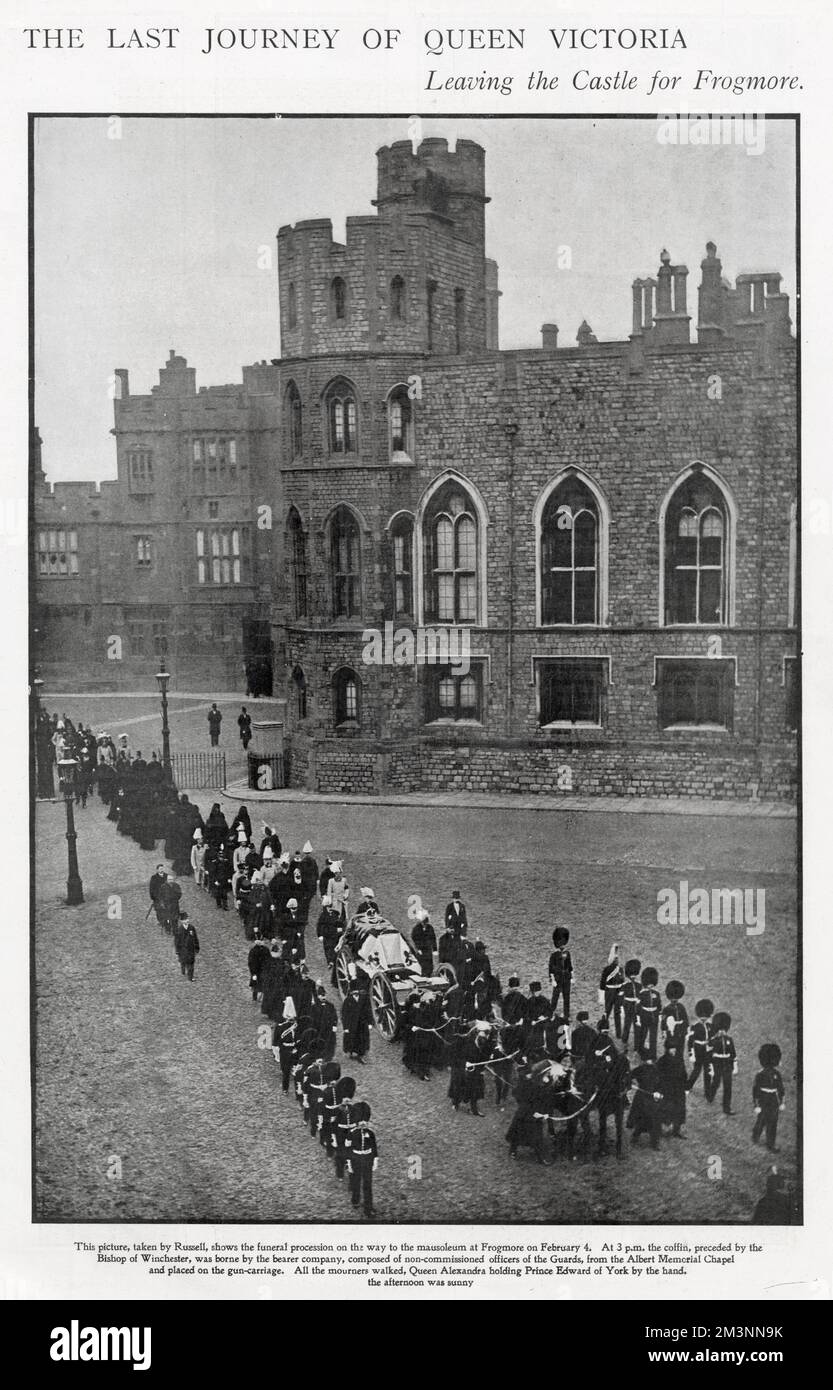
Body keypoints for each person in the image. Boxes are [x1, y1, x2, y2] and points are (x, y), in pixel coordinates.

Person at [346, 1101, 378, 1216]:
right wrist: (349, 1163)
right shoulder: (352, 1133)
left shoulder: (370, 1133)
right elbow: (348, 1150)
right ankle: (355, 1200)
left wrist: (375, 1160)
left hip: (368, 1159)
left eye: (365, 1120)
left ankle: (368, 1207)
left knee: (367, 1184)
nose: (363, 1123)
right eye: (361, 1120)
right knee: (356, 1181)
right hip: (356, 1159)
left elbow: (374, 1147)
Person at [752, 1043, 785, 1151]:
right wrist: (756, 1105)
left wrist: (782, 1102)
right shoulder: (760, 1074)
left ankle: (771, 1144)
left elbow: (781, 1089)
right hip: (764, 1099)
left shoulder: (777, 1074)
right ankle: (755, 1135)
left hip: (773, 1100)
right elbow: (756, 1091)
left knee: (773, 1122)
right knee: (761, 1119)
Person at [656, 1037, 688, 1137]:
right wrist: (660, 1089)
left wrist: (685, 1087)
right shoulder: (662, 1061)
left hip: (679, 1089)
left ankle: (676, 1131)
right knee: (667, 1110)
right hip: (668, 1090)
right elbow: (658, 1076)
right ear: (667, 1049)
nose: (673, 1050)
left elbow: (684, 1073)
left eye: (675, 1048)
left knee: (680, 1109)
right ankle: (662, 1129)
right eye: (671, 1048)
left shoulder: (679, 1059)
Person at [627, 1059, 662, 1149]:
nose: (649, 1061)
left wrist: (658, 1092)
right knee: (641, 1117)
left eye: (651, 1059)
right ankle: (635, 1135)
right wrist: (631, 1083)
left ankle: (654, 1142)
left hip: (653, 1098)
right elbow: (629, 1076)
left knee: (654, 1120)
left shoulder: (656, 1069)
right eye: (647, 1059)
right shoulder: (640, 1069)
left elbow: (661, 1084)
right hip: (641, 1097)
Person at [707, 1012, 737, 1114]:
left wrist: (735, 1065)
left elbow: (733, 1053)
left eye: (724, 1030)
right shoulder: (714, 1040)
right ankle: (710, 1095)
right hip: (717, 1063)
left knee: (728, 1086)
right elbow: (710, 1054)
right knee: (716, 1082)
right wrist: (710, 1067)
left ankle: (727, 1108)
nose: (722, 1032)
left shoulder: (729, 1040)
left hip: (727, 1064)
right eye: (720, 1030)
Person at [687, 998, 715, 1095]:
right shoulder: (695, 1027)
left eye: (705, 1016)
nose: (703, 1018)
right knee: (697, 1070)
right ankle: (688, 1087)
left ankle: (707, 1092)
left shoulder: (710, 1026)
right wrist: (691, 1054)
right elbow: (690, 1041)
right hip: (698, 1050)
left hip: (708, 1051)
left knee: (707, 1072)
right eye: (702, 1016)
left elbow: (712, 1038)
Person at [342, 978, 373, 1063]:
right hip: (352, 1024)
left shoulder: (364, 999)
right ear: (351, 992)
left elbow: (368, 1011)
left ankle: (362, 1056)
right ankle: (350, 1052)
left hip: (362, 1024)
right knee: (352, 1039)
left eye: (357, 991)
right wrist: (346, 1027)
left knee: (363, 1040)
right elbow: (344, 1015)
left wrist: (370, 1023)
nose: (355, 993)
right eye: (353, 992)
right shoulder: (347, 1000)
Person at [599, 943, 626, 1039]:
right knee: (607, 1011)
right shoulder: (607, 970)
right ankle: (603, 1029)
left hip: (618, 993)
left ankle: (619, 1034)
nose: (617, 961)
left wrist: (622, 992)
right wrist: (601, 996)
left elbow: (623, 982)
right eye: (615, 959)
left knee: (617, 1013)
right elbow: (602, 983)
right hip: (609, 992)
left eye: (617, 959)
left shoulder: (621, 969)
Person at [637, 966, 661, 1061]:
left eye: (652, 984)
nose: (650, 986)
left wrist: (659, 1014)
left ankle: (653, 1054)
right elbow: (638, 1006)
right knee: (643, 1034)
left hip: (654, 1016)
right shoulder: (642, 993)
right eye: (649, 984)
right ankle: (641, 1050)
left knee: (653, 1037)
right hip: (645, 1015)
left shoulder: (656, 993)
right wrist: (638, 1017)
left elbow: (659, 1005)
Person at [548, 927, 573, 1020]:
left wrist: (572, 976)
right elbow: (551, 969)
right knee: (555, 997)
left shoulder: (567, 953)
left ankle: (566, 1015)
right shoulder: (554, 955)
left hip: (566, 978)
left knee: (567, 997)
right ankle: (550, 1013)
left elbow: (569, 966)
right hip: (558, 978)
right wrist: (552, 980)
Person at [661, 980, 689, 1057]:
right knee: (670, 1052)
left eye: (676, 998)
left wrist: (686, 1030)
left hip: (681, 1034)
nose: (674, 1000)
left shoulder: (681, 1007)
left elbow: (685, 1019)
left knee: (680, 1052)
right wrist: (663, 1031)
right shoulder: (666, 1008)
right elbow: (663, 1021)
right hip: (671, 1035)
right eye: (672, 998)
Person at [620, 959, 642, 1047]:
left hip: (636, 1007)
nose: (633, 977)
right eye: (631, 975)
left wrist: (639, 1001)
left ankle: (637, 1043)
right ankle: (624, 1040)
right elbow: (621, 997)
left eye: (634, 975)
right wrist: (621, 1008)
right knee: (627, 1024)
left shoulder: (639, 985)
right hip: (628, 1006)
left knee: (637, 1025)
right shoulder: (625, 985)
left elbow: (641, 995)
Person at [411, 909, 437, 978]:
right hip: (421, 950)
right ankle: (422, 977)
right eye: (423, 922)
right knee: (422, 964)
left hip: (428, 949)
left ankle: (429, 976)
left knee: (429, 965)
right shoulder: (416, 929)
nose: (425, 924)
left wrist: (435, 949)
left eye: (426, 922)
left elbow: (433, 939)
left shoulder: (430, 928)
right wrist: (418, 948)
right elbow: (415, 939)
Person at [177, 914, 200, 982]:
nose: (186, 921)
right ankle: (183, 968)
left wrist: (197, 947)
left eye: (187, 919)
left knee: (191, 963)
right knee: (184, 961)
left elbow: (195, 938)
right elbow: (177, 941)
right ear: (181, 921)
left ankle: (191, 976)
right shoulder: (179, 930)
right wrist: (178, 950)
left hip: (191, 949)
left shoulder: (191, 928)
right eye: (184, 920)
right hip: (183, 950)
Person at [148, 865, 168, 933]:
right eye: (160, 869)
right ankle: (161, 921)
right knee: (159, 910)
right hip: (158, 897)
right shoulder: (154, 878)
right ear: (157, 870)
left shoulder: (167, 876)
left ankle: (167, 922)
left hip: (166, 897)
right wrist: (153, 897)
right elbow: (151, 888)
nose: (161, 870)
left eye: (162, 868)